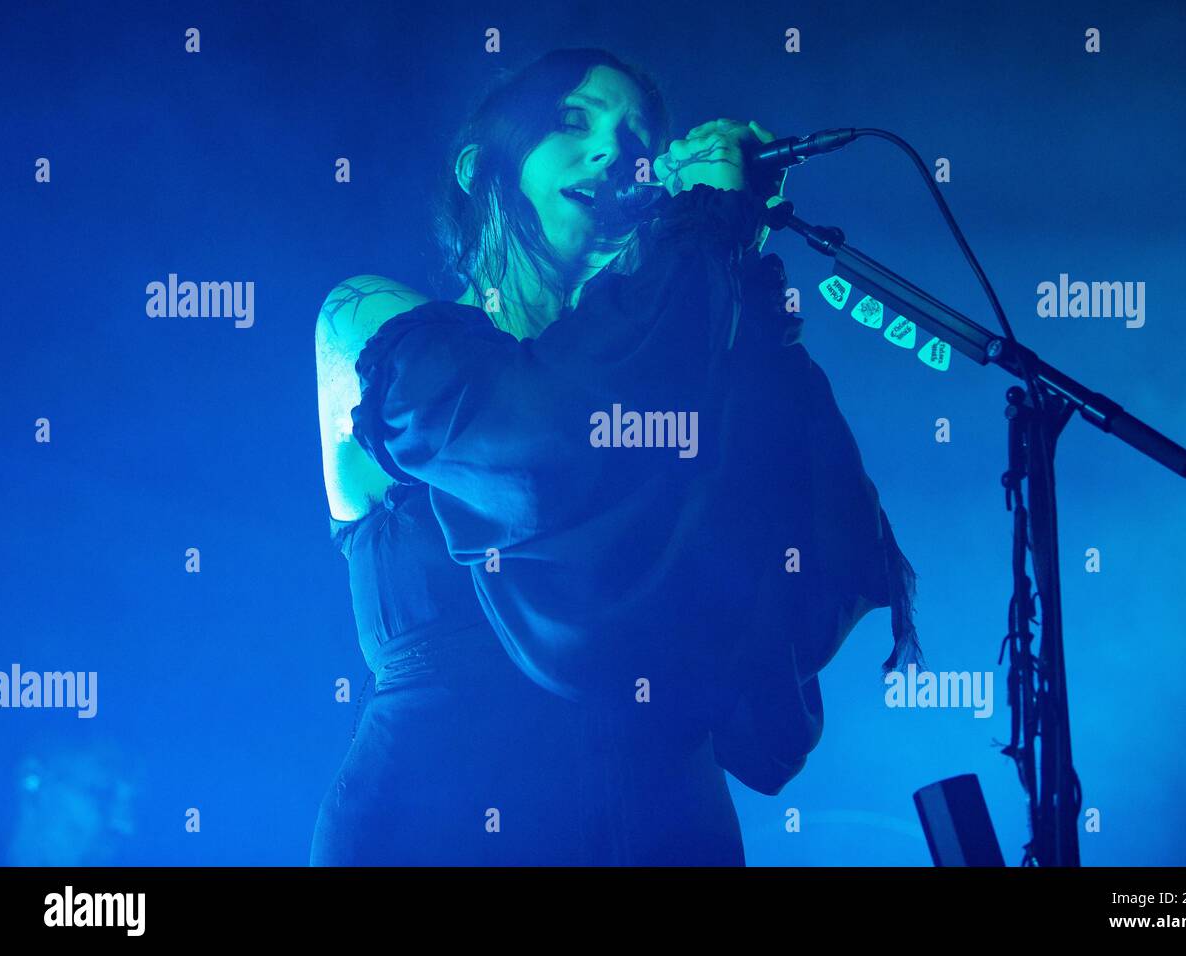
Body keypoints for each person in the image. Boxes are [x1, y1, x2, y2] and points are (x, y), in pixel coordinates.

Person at [310, 47, 920, 866]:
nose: (612, 150)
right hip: (441, 810)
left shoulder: (675, 374)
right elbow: (542, 446)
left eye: (635, 137)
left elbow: (812, 554)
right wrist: (696, 240)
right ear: (478, 165)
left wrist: (731, 273)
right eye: (572, 121)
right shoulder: (369, 320)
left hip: (666, 814)